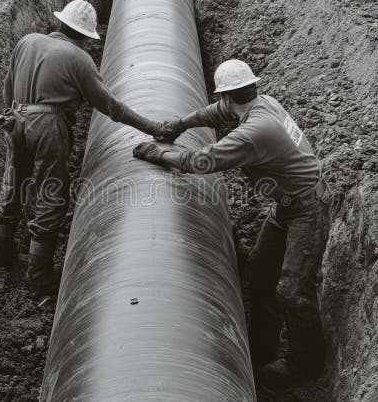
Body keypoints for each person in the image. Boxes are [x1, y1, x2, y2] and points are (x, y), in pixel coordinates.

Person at [132, 59, 332, 388]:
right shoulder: (259, 102)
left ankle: (304, 364)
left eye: (225, 97)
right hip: (286, 204)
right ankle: (260, 349)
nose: (224, 104)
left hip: (307, 207)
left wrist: (158, 154)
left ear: (229, 94)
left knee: (293, 291)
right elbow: (215, 112)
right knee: (260, 270)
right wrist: (179, 124)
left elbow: (200, 160)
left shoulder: (255, 131)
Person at [0, 0, 178, 295]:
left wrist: (14, 116)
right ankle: (37, 279)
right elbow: (111, 107)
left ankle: (0, 258)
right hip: (48, 126)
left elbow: (7, 84)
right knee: (51, 195)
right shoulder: (78, 59)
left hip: (15, 117)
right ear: (85, 37)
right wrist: (152, 127)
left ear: (61, 23)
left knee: (12, 184)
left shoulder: (27, 42)